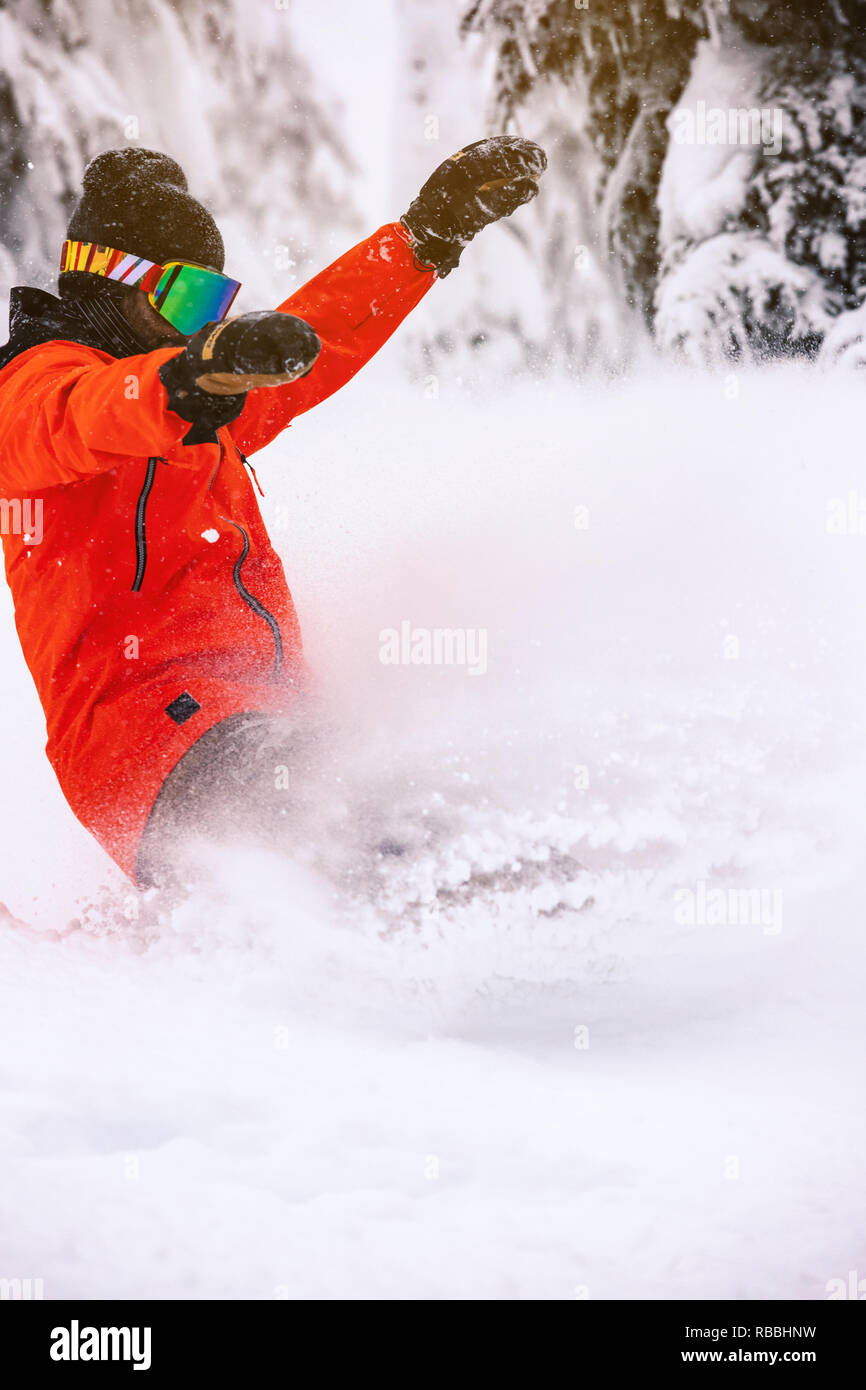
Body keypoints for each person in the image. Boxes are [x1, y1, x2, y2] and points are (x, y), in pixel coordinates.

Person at [0, 140, 546, 888]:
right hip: (154, 740)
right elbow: (85, 415)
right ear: (111, 285)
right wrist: (185, 380)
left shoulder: (200, 407)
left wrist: (423, 239)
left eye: (214, 307)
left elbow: (319, 339)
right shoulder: (35, 390)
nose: (199, 327)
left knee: (447, 809)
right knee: (385, 839)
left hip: (263, 720)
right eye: (186, 301)